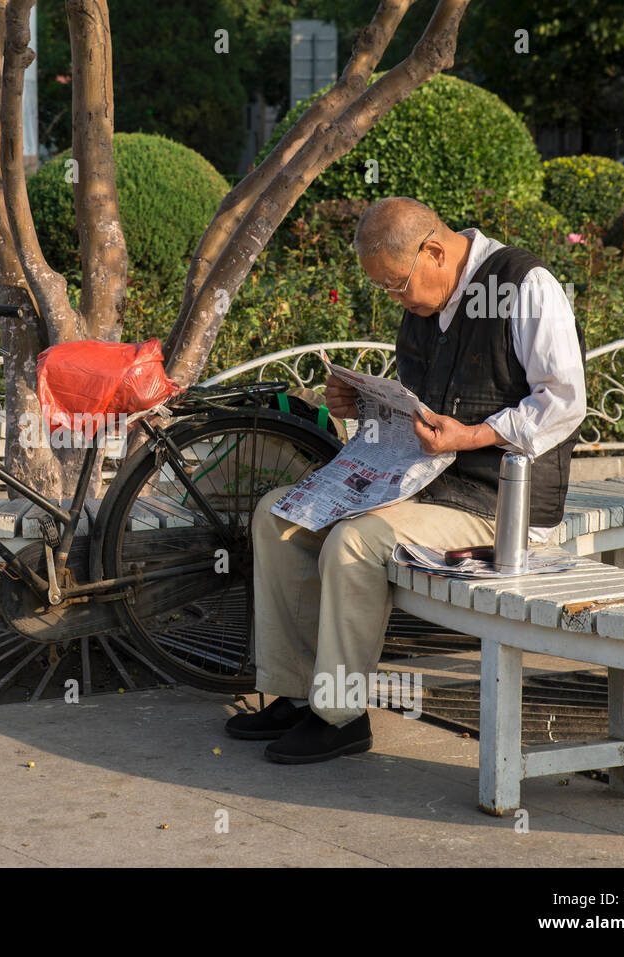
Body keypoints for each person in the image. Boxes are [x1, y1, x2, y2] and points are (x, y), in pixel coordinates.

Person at [228, 196, 587, 764]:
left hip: (500, 506)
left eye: (396, 285)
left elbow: (564, 404)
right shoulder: (427, 302)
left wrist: (470, 436)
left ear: (435, 252)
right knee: (280, 515)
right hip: (426, 488)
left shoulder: (526, 285)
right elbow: (417, 413)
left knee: (356, 540)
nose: (393, 298)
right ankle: (298, 692)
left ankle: (340, 716)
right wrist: (362, 406)